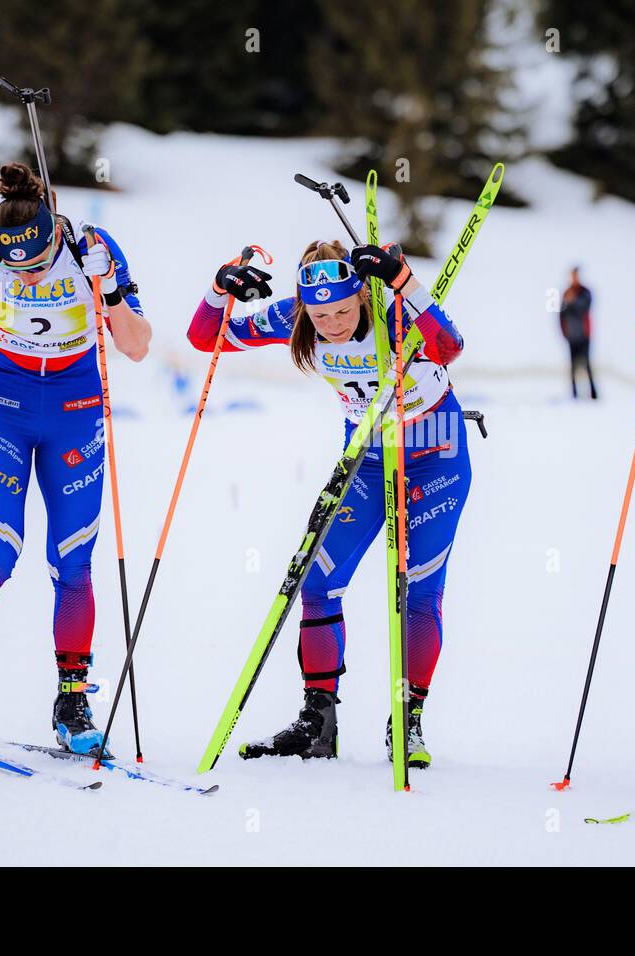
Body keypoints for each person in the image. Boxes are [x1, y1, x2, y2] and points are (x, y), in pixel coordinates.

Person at [187, 239, 471, 768]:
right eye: (320, 315)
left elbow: (451, 346)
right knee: (316, 583)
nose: (333, 324)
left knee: (421, 592)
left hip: (436, 457)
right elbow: (204, 338)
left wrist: (404, 280)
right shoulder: (292, 316)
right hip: (365, 460)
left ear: (362, 296)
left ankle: (407, 722)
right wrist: (219, 286)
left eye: (343, 310)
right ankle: (318, 722)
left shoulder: (391, 308)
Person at [0, 163, 152, 755]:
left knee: (74, 560)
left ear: (53, 234)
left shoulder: (91, 246)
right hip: (3, 403)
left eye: (39, 262)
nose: (29, 273)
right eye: (16, 269)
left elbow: (136, 345)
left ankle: (73, 700)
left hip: (74, 408)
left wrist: (112, 291)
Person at [559, 266, 597, 399]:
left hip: (584, 335)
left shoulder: (585, 292)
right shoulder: (566, 293)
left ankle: (593, 394)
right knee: (573, 367)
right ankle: (574, 395)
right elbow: (560, 314)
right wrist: (564, 332)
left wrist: (572, 302)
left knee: (587, 365)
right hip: (571, 336)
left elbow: (584, 307)